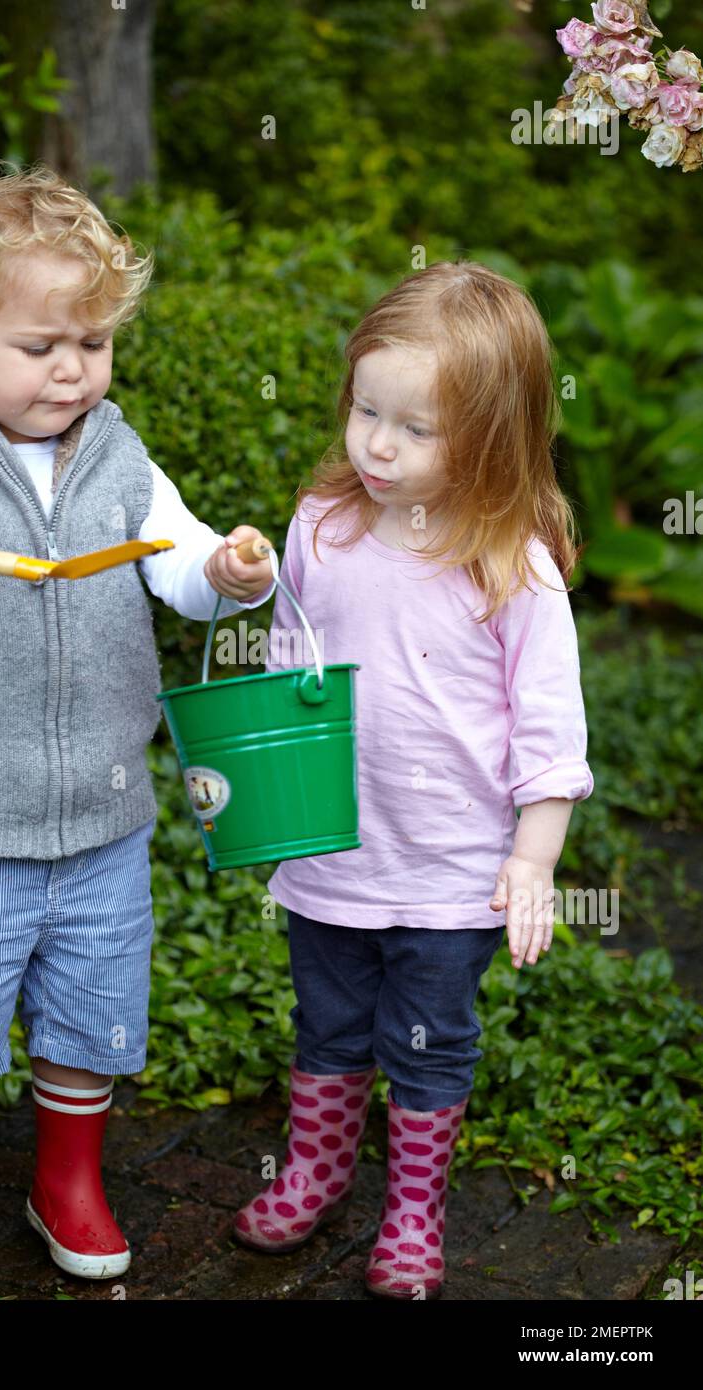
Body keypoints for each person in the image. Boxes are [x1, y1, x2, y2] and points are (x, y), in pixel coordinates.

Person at [0, 160, 274, 1288]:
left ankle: (65, 1177)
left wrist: (227, 570)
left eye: (93, 343)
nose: (71, 369)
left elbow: (175, 565)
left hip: (101, 819)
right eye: (39, 347)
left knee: (91, 1008)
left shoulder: (118, 453)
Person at [232, 261, 595, 1300]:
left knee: (427, 1043)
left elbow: (547, 728)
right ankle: (313, 1170)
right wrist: (263, 800)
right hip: (332, 854)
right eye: (364, 410)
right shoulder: (321, 527)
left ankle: (409, 1210)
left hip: (447, 873)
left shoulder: (509, 567)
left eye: (415, 429)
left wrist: (532, 859)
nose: (376, 445)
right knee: (328, 1024)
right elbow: (283, 669)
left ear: (492, 436)